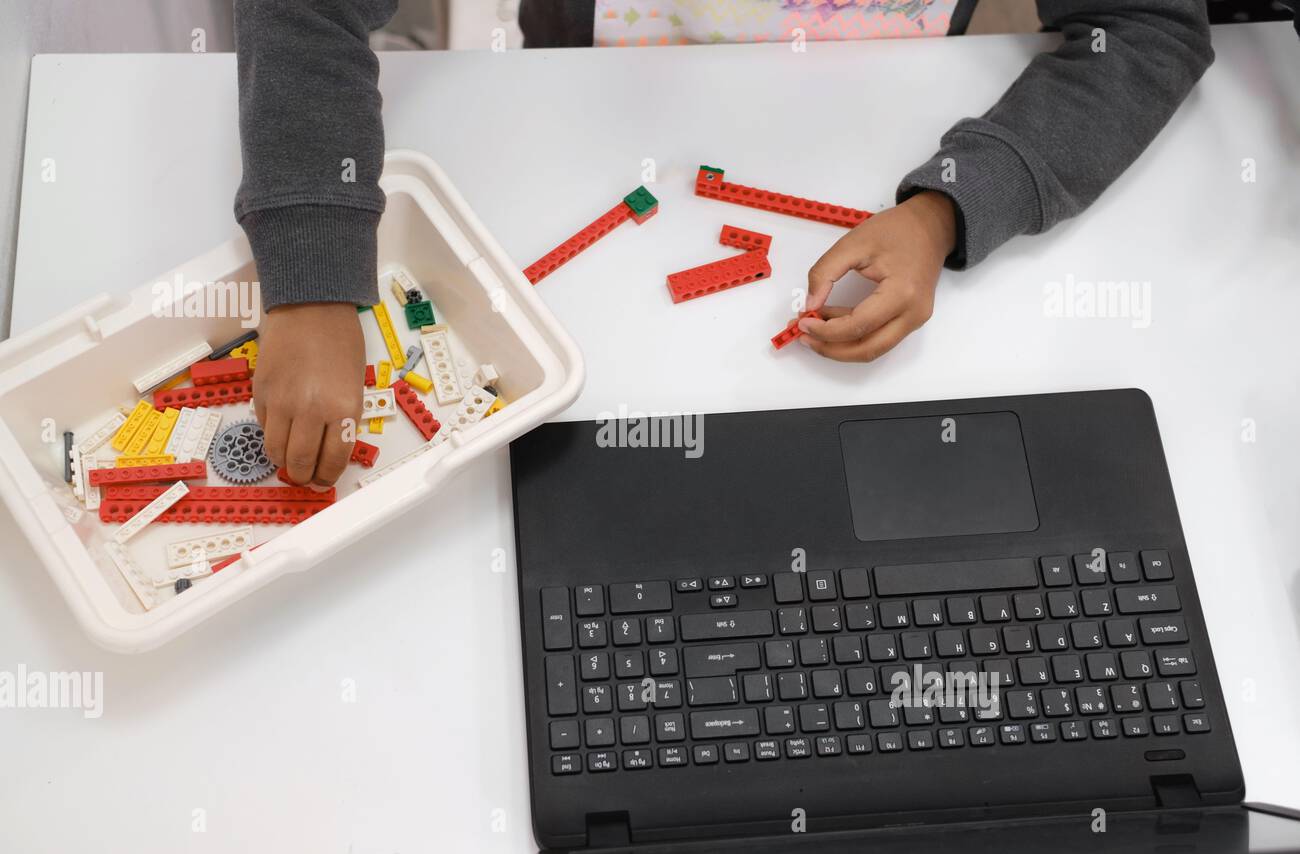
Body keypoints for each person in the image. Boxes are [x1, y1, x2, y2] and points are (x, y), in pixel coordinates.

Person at [234, 0, 1214, 486]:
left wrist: (947, 209)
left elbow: (1145, 28)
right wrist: (312, 274)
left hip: (881, 187)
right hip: (582, 164)